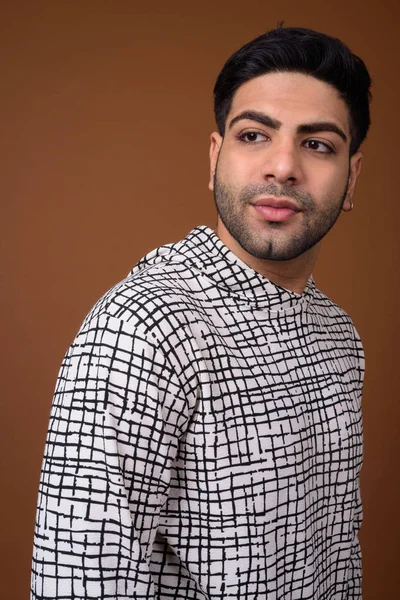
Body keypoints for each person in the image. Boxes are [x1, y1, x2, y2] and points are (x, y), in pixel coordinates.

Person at [31, 25, 371, 600]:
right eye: (254, 135)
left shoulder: (340, 335)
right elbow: (76, 585)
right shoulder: (142, 329)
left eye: (317, 144)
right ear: (216, 157)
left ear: (351, 177)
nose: (283, 166)